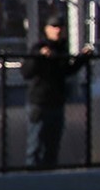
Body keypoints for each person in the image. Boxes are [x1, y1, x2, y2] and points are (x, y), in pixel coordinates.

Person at [22, 11, 91, 169]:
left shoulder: (62, 49)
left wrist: (82, 58)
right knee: (35, 145)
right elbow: (26, 72)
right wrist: (39, 56)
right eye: (54, 27)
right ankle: (31, 177)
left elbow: (66, 71)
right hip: (39, 104)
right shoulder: (38, 47)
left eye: (60, 27)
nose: (57, 30)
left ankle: (49, 176)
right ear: (46, 29)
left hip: (57, 104)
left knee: (52, 146)